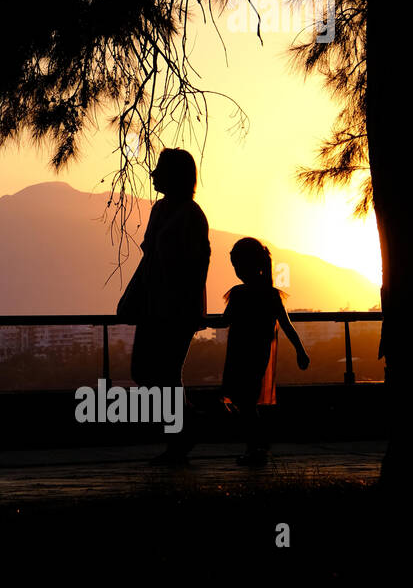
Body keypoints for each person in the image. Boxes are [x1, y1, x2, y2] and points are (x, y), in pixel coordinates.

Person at [118, 148, 210, 464]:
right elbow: (150, 259)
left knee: (166, 373)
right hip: (153, 305)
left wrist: (188, 307)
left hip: (176, 309)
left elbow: (196, 266)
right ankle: (184, 424)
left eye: (159, 169)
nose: (154, 174)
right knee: (145, 371)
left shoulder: (192, 215)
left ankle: (178, 440)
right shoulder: (160, 210)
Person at [218, 237, 309, 466]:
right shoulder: (270, 294)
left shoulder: (239, 294)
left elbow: (224, 322)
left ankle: (256, 447)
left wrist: (196, 321)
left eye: (239, 265)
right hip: (258, 354)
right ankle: (257, 446)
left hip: (240, 354)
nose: (238, 271)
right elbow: (286, 325)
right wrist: (300, 350)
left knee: (244, 403)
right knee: (247, 402)